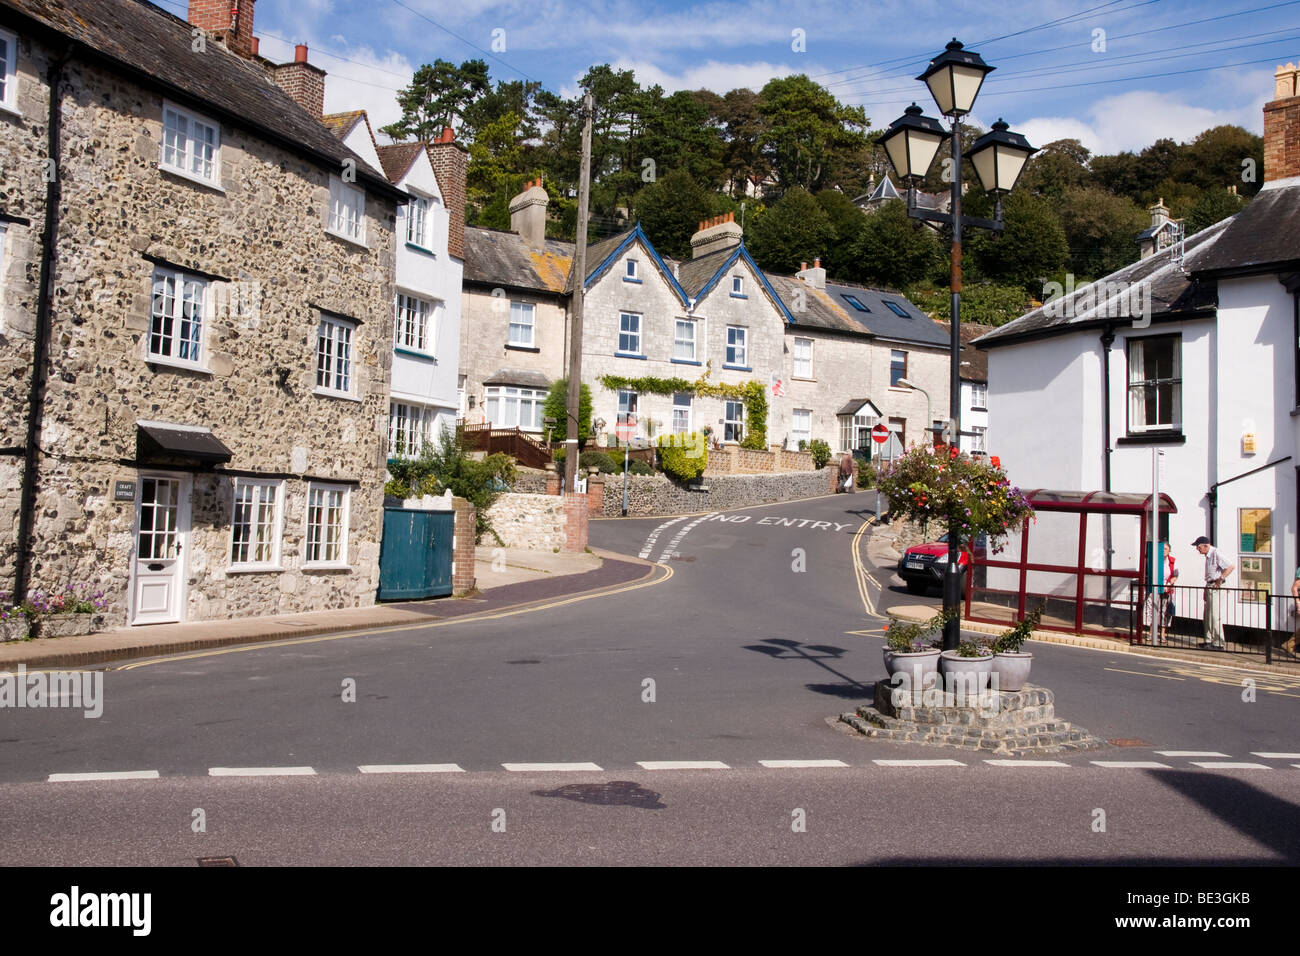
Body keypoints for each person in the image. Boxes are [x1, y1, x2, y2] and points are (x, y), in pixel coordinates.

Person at [1193, 535, 1234, 650]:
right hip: (1210, 585)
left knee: (1215, 615)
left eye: (1198, 547)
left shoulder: (1216, 553)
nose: (1197, 549)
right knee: (1207, 614)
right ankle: (1208, 640)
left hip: (1216, 587)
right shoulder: (1208, 555)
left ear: (1205, 546)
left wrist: (1221, 579)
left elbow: (1230, 566)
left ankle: (1218, 642)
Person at [1142, 541, 1178, 645]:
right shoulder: (1155, 560)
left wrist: (1169, 584)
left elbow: (1175, 575)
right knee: (1152, 609)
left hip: (1166, 589)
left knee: (1164, 611)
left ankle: (1162, 634)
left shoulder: (1172, 561)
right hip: (1154, 588)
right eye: (1162, 549)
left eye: (1166, 549)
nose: (1164, 551)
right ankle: (1151, 633)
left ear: (1169, 550)